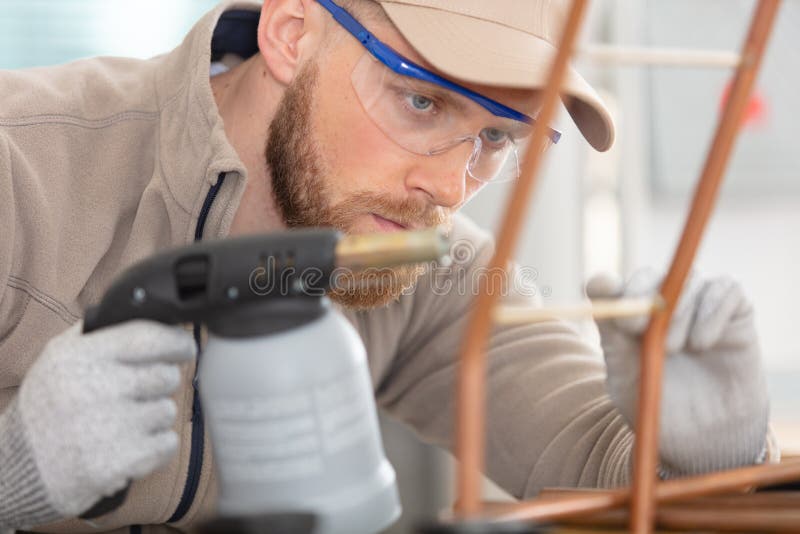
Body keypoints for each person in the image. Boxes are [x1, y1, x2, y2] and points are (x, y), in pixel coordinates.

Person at [0, 0, 773, 532]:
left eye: (497, 139)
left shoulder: (422, 255)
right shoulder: (19, 165)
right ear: (293, 31)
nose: (447, 188)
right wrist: (14, 469)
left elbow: (598, 468)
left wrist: (706, 457)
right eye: (422, 104)